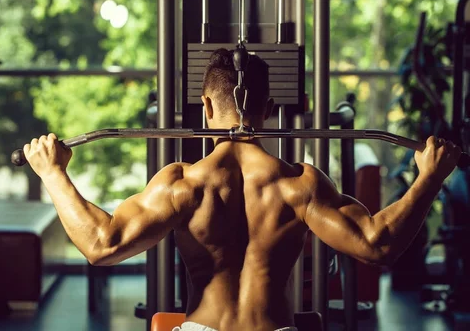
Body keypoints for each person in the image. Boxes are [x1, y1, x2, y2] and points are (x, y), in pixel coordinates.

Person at [23, 49, 462, 331]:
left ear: (206, 106)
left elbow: (102, 244)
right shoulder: (298, 184)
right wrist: (429, 178)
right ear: (270, 109)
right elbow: (376, 244)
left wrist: (53, 173)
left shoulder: (183, 184)